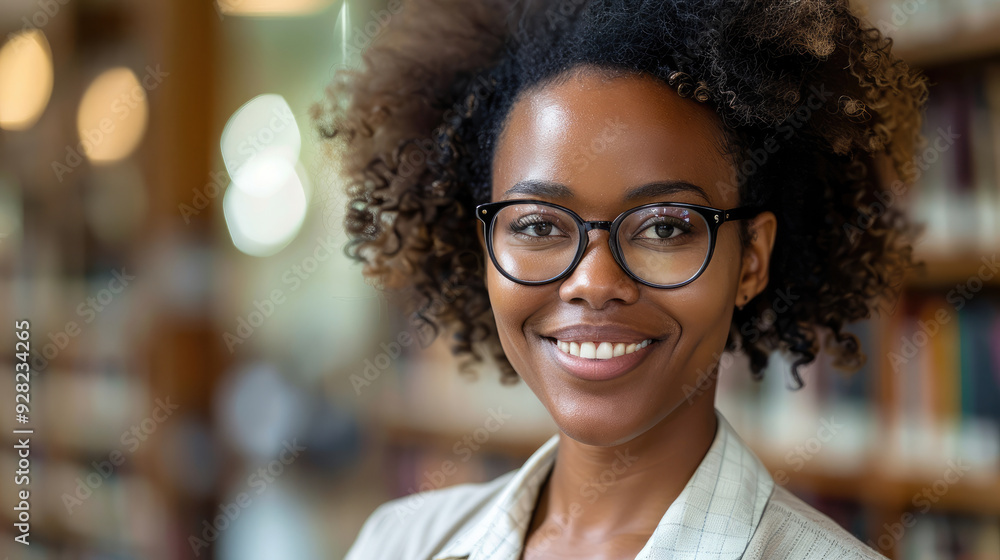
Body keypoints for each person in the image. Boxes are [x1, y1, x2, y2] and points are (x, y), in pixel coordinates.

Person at [315, 0, 928, 558]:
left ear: (751, 260)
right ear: (484, 249)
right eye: (536, 226)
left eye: (664, 228)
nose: (594, 281)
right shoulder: (398, 542)